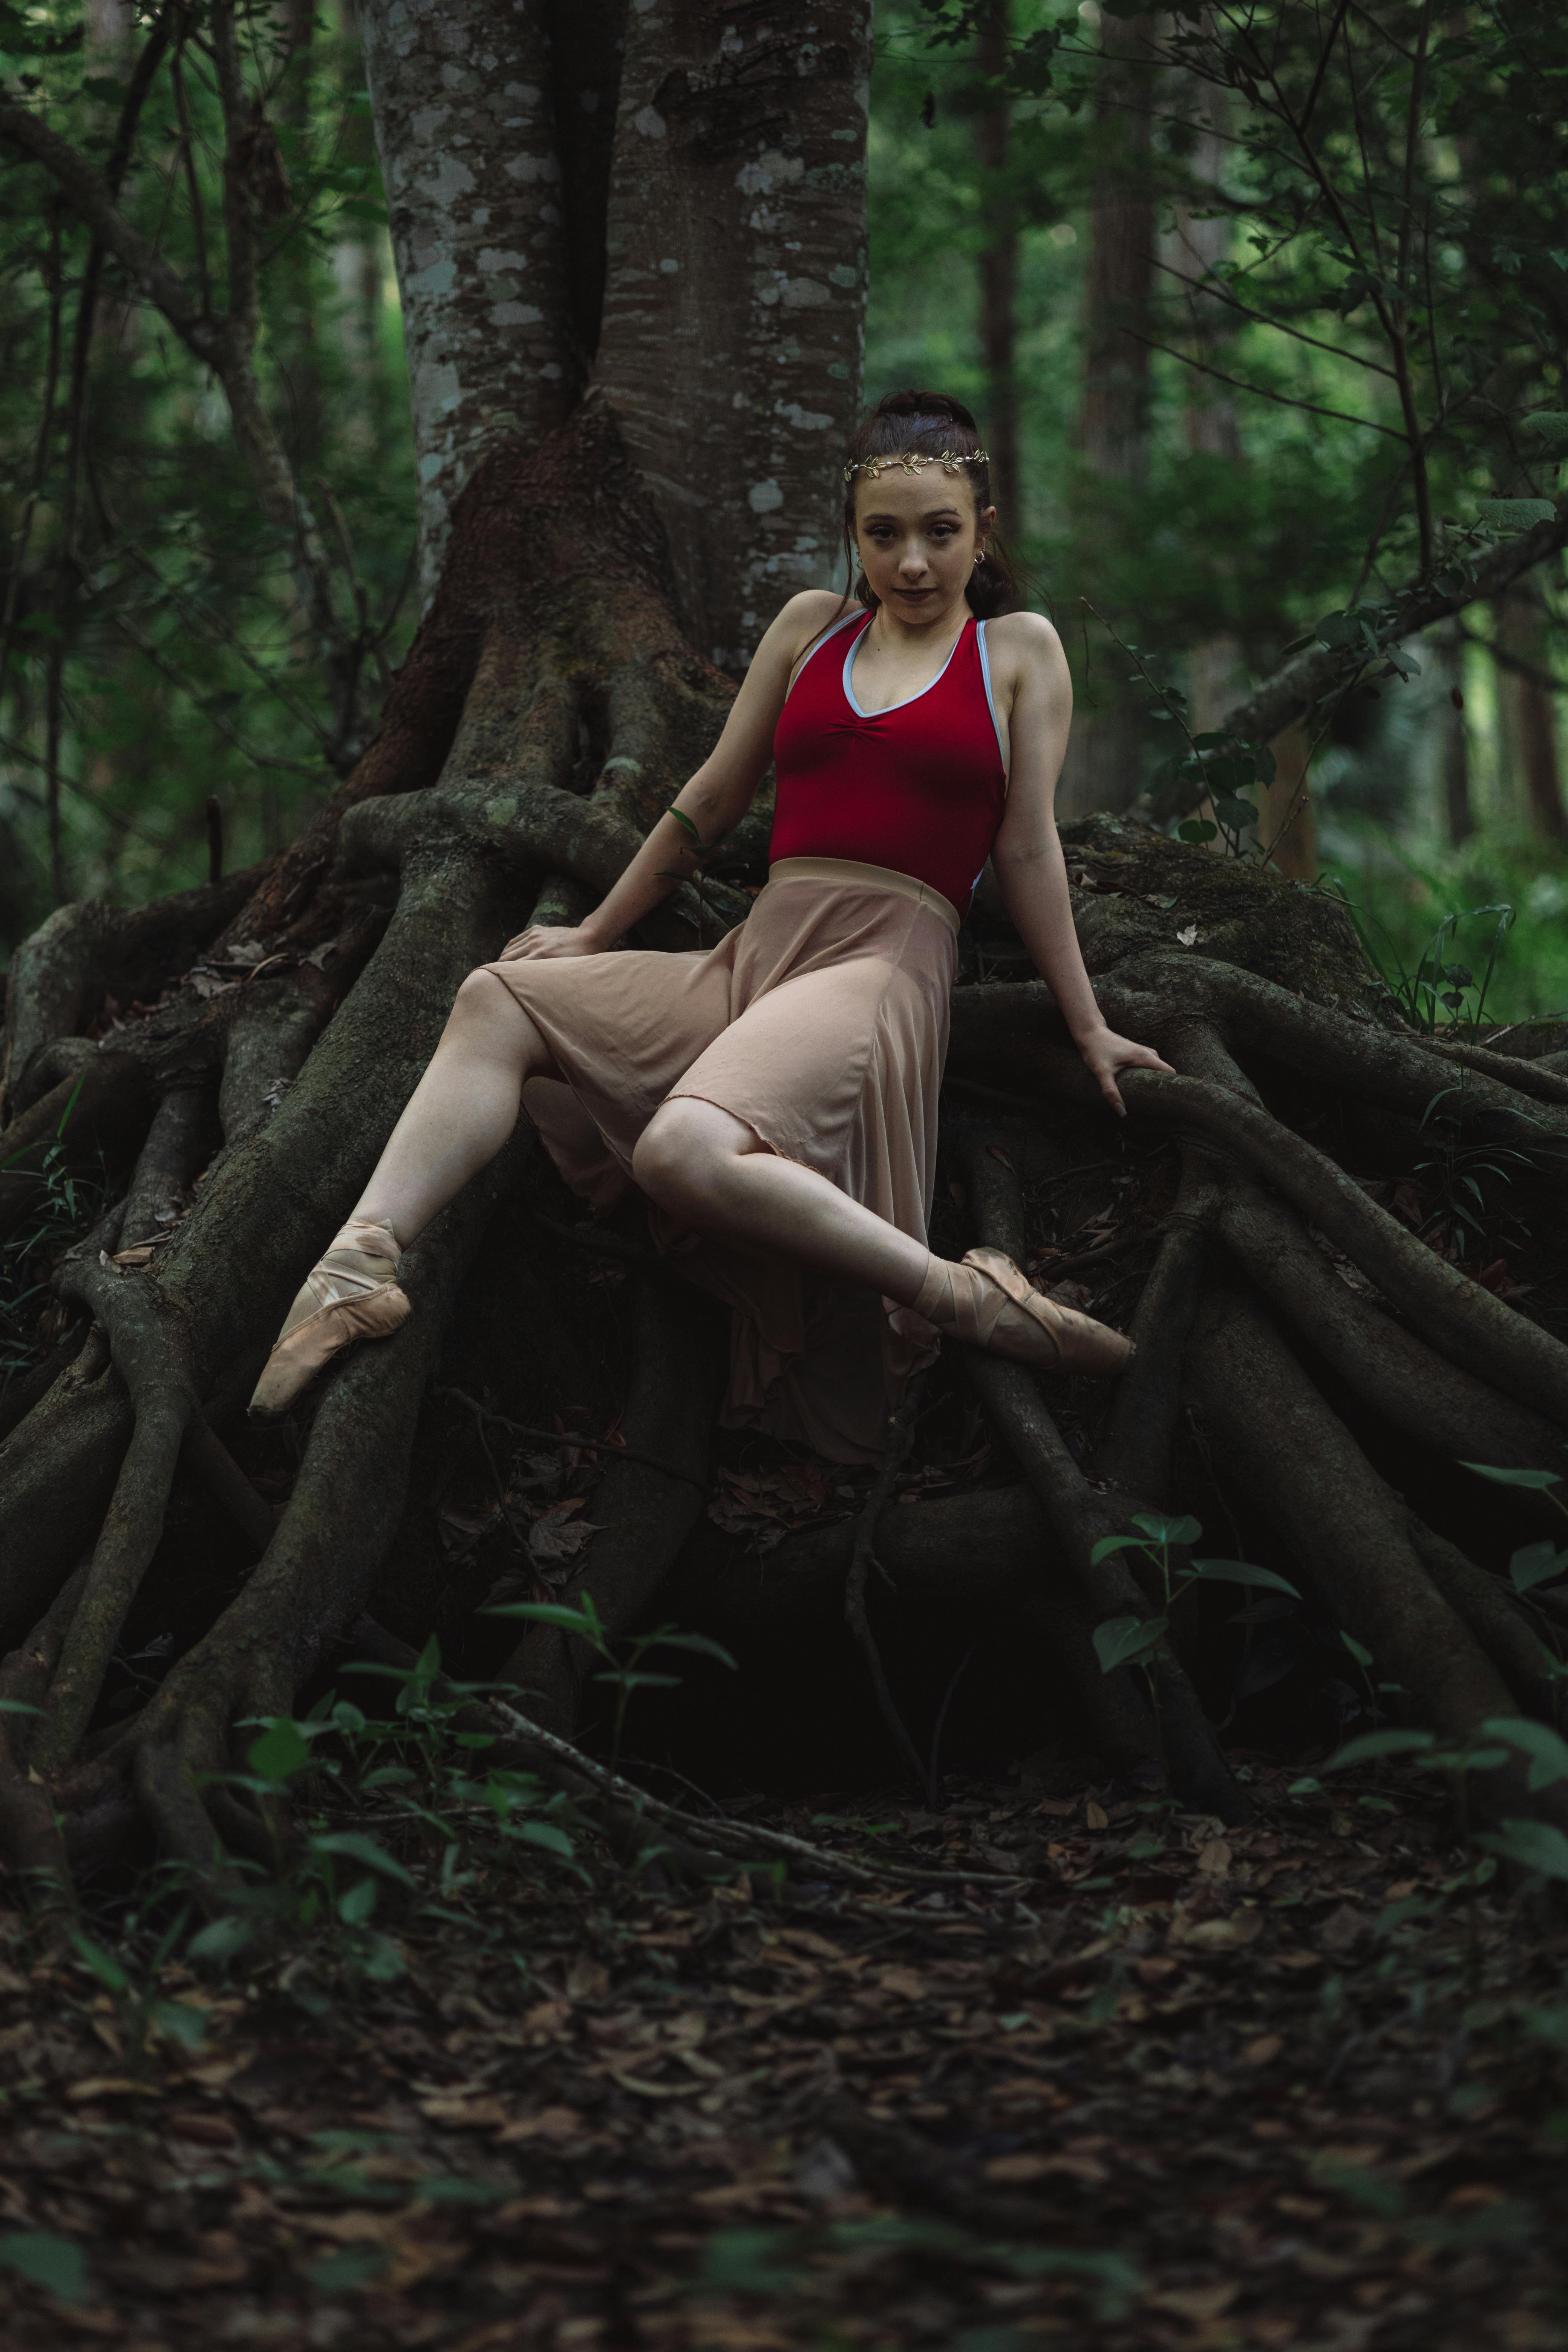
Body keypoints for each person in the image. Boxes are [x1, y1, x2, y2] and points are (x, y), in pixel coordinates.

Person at [250, 390, 1174, 1459]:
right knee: (497, 996)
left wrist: (1092, 1023)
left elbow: (1025, 850)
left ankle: (967, 1295)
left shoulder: (1017, 651)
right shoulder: (808, 631)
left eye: (940, 533)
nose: (913, 562)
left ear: (983, 528)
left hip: (880, 965)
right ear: (852, 535)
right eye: (884, 536)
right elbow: (712, 797)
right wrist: (596, 934)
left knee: (681, 1151)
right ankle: (360, 1265)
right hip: (758, 955)